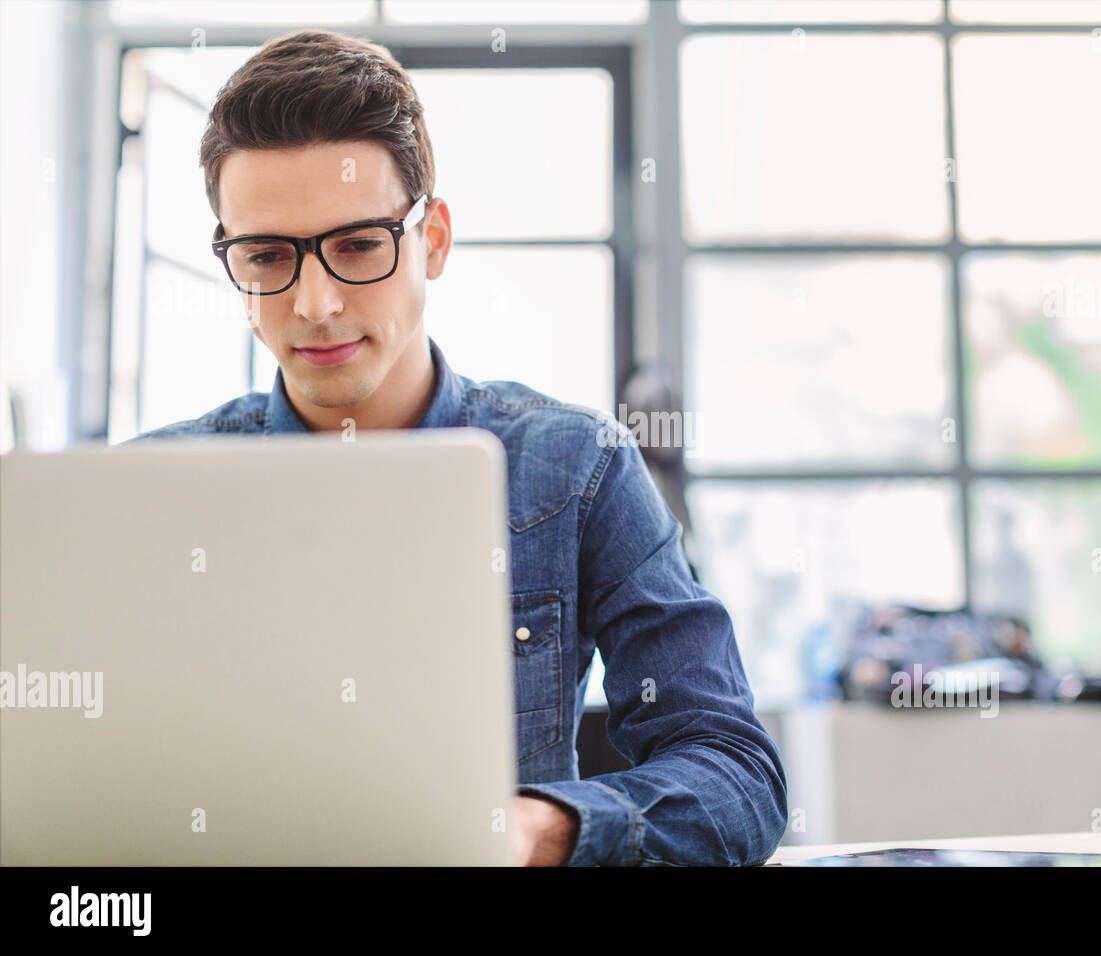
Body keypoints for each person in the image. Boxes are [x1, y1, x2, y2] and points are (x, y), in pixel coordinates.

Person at [123, 29, 787, 866]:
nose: (316, 303)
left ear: (430, 240)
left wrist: (538, 827)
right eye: (266, 256)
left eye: (358, 245)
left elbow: (738, 776)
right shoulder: (146, 492)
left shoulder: (579, 470)